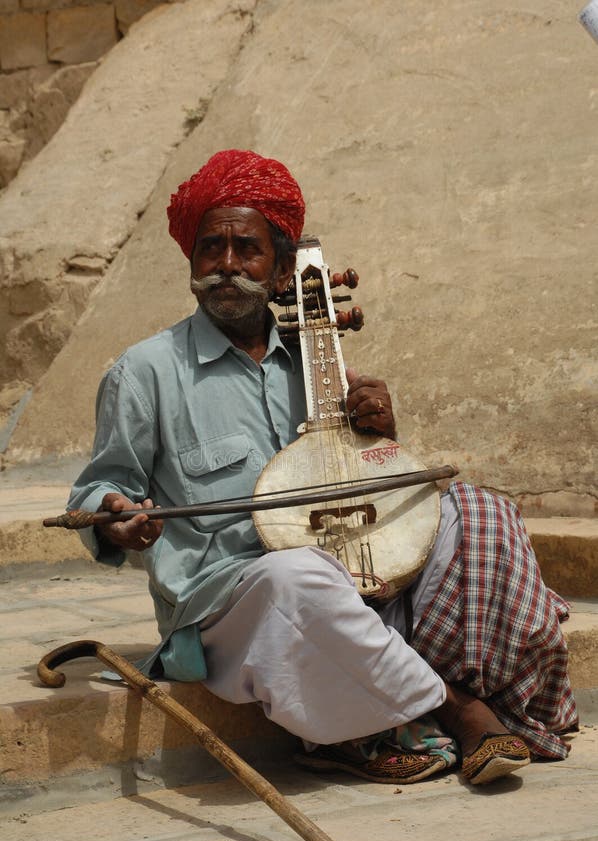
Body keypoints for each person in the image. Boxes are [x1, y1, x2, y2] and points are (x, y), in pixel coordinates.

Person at [69, 149, 578, 786]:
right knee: (297, 575)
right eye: (211, 248)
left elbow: (362, 485)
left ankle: (468, 695)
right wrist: (118, 519)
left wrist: (383, 437)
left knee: (478, 512)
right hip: (230, 606)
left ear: (283, 269)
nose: (226, 266)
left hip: (347, 581)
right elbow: (102, 489)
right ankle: (458, 707)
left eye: (247, 250)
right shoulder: (144, 371)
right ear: (192, 261)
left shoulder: (314, 362)